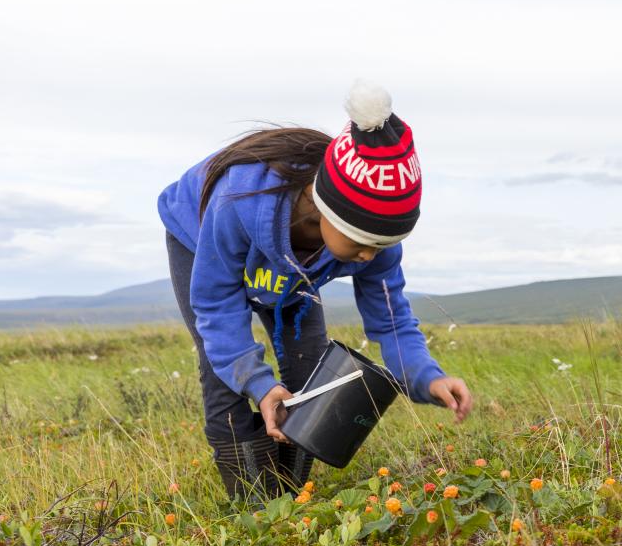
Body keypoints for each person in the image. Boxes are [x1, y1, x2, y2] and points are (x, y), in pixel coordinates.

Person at [158, 82, 473, 500]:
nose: (368, 256)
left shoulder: (373, 246)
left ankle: (289, 499)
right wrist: (258, 383)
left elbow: (391, 321)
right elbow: (216, 305)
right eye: (361, 242)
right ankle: (254, 507)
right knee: (225, 376)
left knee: (312, 377)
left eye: (381, 245)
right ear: (327, 208)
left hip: (292, 270)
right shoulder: (240, 199)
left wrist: (427, 378)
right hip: (198, 237)